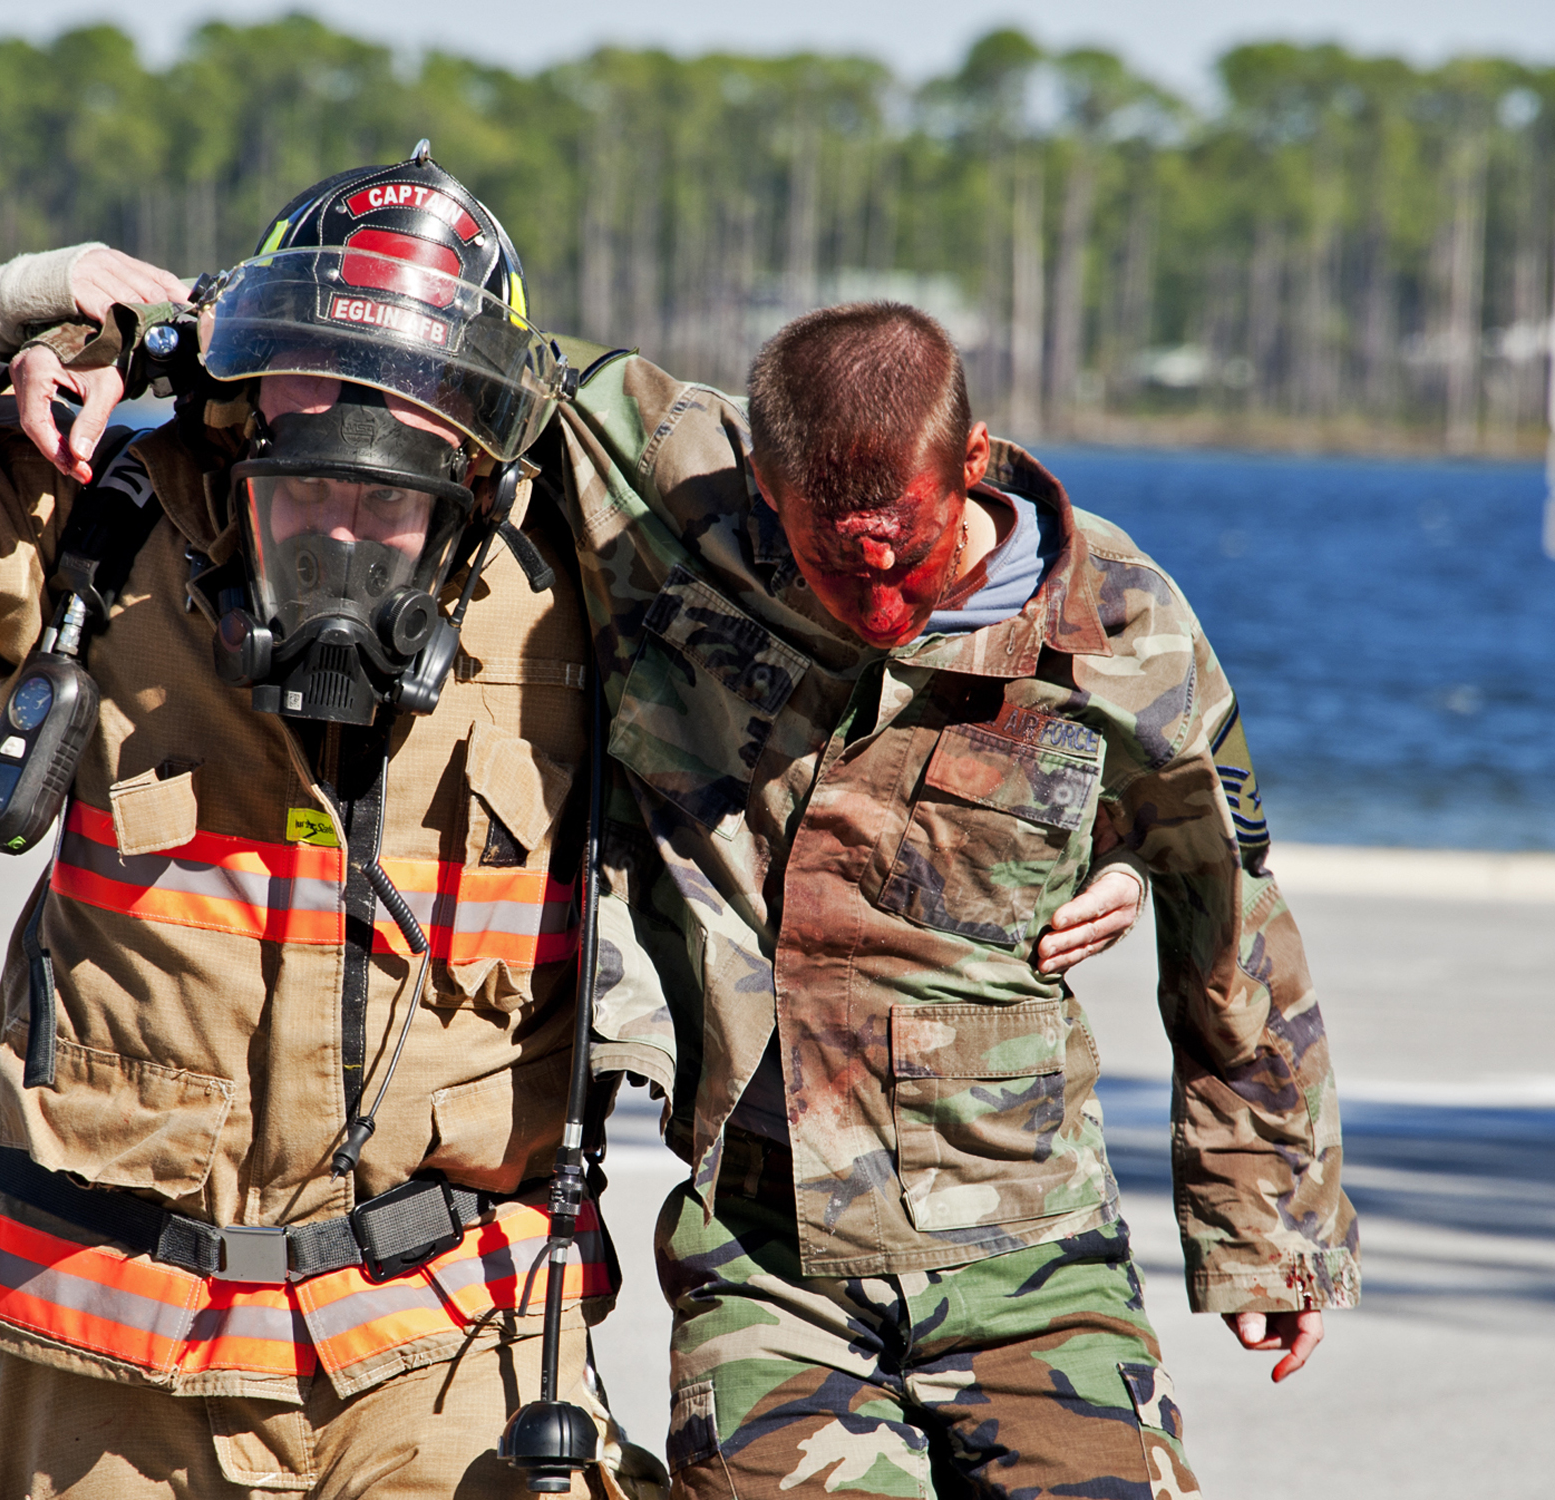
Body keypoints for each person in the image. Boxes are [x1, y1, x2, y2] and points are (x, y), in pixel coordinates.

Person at [0, 149, 663, 1500]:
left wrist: (1083, 819)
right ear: (250, 358)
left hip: (451, 1349)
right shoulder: (104, 530)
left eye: (394, 392)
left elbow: (870, 542)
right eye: (313, 373)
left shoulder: (582, 592)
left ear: (473, 420)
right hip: (109, 1348)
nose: (344, 451)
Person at [556, 303, 1360, 1497]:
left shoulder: (1121, 627)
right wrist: (202, 320)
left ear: (971, 465)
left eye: (911, 557)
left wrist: (1271, 1235)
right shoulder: (684, 508)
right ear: (764, 483)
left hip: (1031, 1248)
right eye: (838, 564)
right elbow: (448, 339)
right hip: (764, 1252)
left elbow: (1229, 910)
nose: (881, 608)